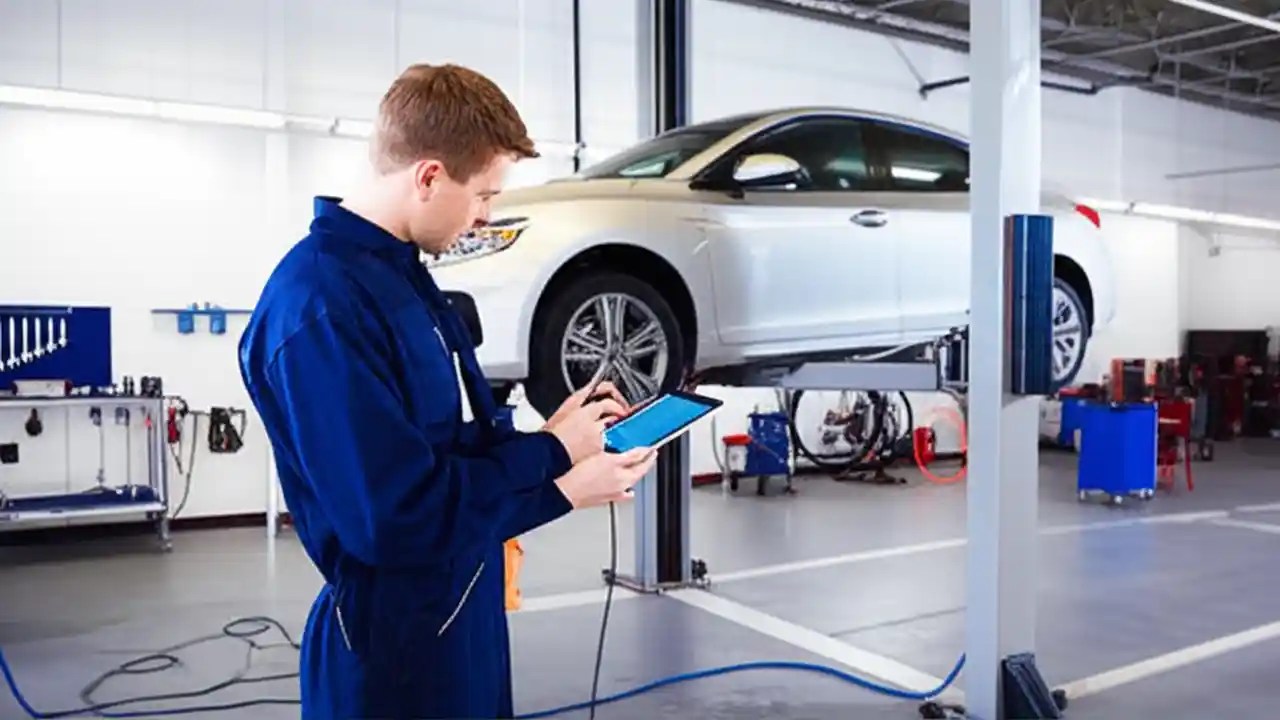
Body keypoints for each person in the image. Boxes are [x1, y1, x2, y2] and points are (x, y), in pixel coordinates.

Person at [238, 63, 658, 720]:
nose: (487, 216)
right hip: (394, 652)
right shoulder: (320, 308)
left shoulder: (405, 278)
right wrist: (557, 474)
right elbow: (397, 519)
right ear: (430, 176)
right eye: (485, 194)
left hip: (461, 612)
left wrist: (557, 441)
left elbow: (452, 447)